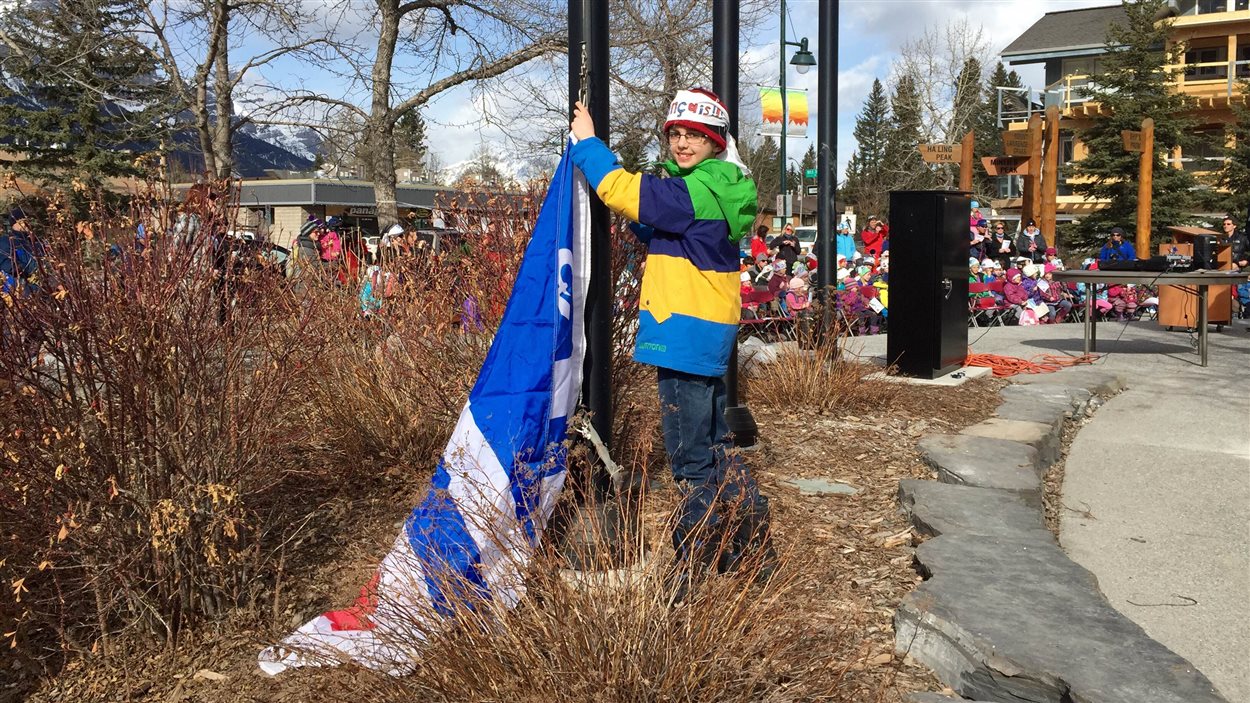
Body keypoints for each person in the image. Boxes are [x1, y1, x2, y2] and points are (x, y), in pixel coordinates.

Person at [569, 89, 773, 585]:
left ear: (715, 142)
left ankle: (690, 566)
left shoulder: (694, 189)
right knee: (717, 445)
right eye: (677, 134)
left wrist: (588, 144)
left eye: (695, 137)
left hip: (683, 334)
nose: (682, 144)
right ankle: (751, 550)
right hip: (708, 334)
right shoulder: (721, 185)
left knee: (690, 460)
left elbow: (623, 190)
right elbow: (672, 231)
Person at [1218, 215, 1249, 318]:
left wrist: (1247, 261)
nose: (1225, 226)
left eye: (1228, 224)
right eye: (1224, 224)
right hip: (1222, 267)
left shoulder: (1243, 237)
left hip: (1237, 267)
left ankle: (1234, 306)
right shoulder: (1220, 238)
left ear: (1234, 226)